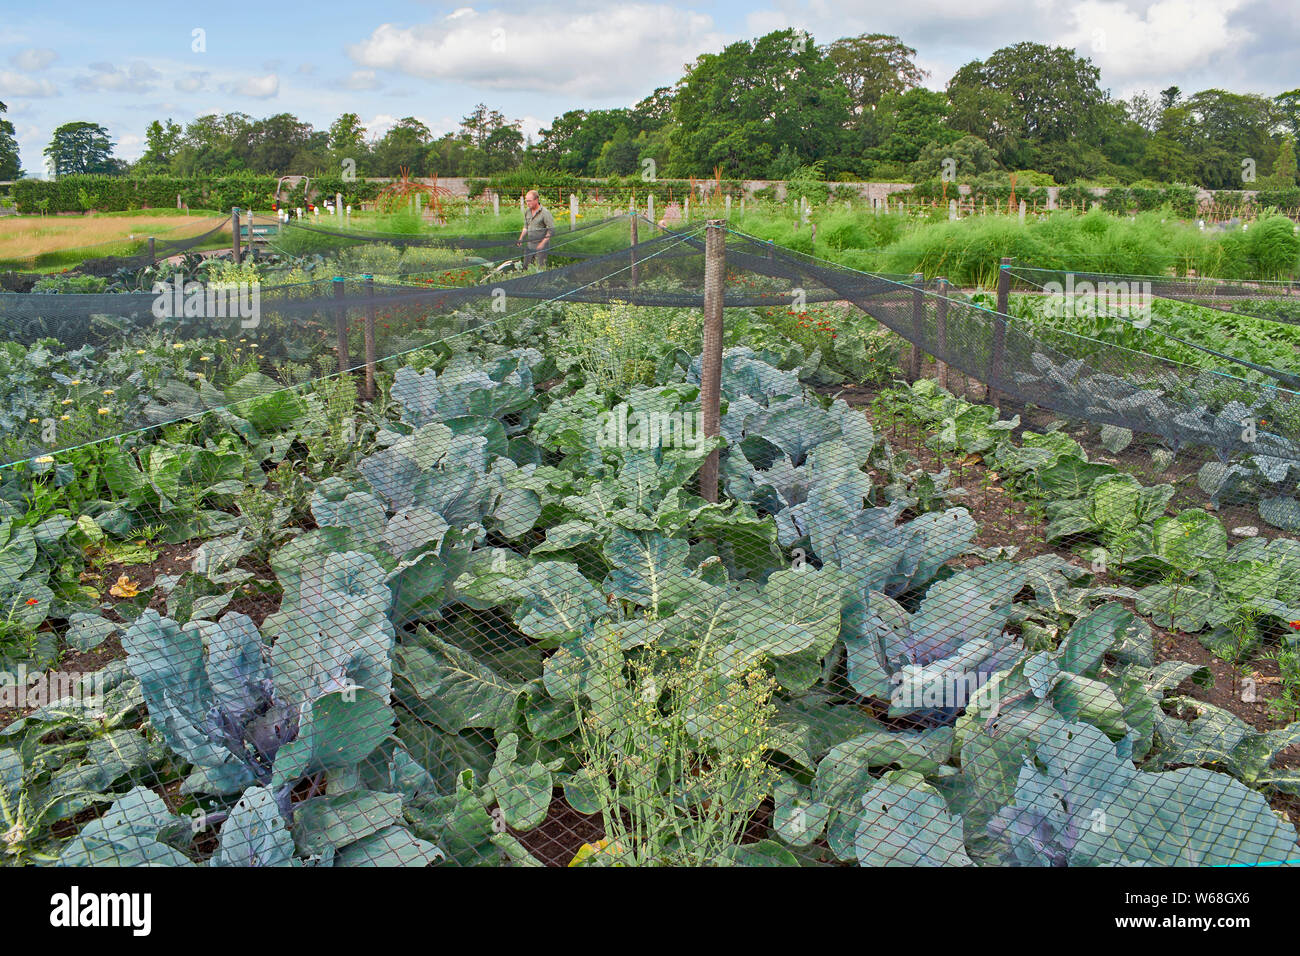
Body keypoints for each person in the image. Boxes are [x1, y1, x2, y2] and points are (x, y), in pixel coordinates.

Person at [517, 190, 555, 268]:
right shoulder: (527, 211)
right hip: (530, 244)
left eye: (529, 201)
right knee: (526, 266)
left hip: (541, 246)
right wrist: (521, 238)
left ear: (536, 200)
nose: (527, 203)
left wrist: (542, 243)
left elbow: (551, 230)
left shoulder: (545, 213)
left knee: (539, 267)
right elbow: (525, 227)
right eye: (526, 201)